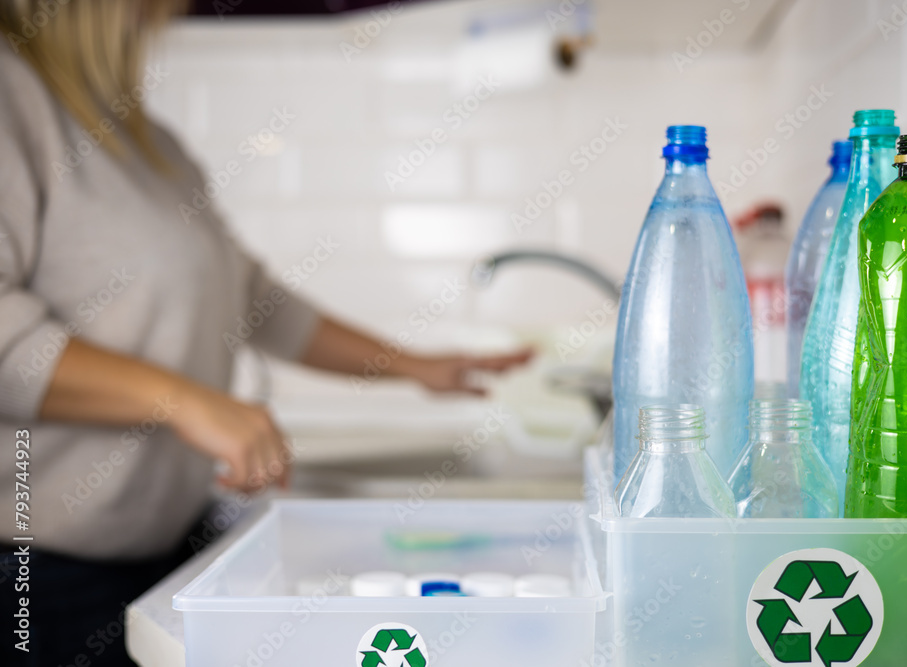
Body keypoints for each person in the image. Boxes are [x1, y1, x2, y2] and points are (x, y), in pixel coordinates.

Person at [0, 1, 530, 665]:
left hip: (152, 553)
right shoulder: (13, 98)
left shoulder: (144, 141)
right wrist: (187, 401)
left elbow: (253, 298)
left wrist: (416, 367)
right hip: (33, 574)